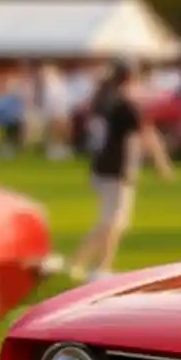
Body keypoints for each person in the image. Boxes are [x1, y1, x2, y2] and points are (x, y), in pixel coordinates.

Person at [69, 60, 148, 282]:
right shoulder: (126, 105)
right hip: (117, 166)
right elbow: (136, 138)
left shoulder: (105, 99)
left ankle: (96, 264)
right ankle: (93, 265)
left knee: (111, 220)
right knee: (113, 221)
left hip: (103, 165)